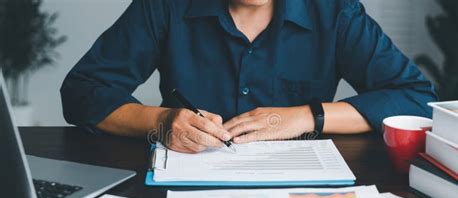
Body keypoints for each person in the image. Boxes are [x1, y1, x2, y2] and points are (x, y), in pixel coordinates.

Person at [61, 0, 437, 153]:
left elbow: (416, 97)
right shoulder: (164, 5)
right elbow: (82, 92)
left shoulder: (335, 10)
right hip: (184, 191)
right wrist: (160, 121)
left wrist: (309, 116)